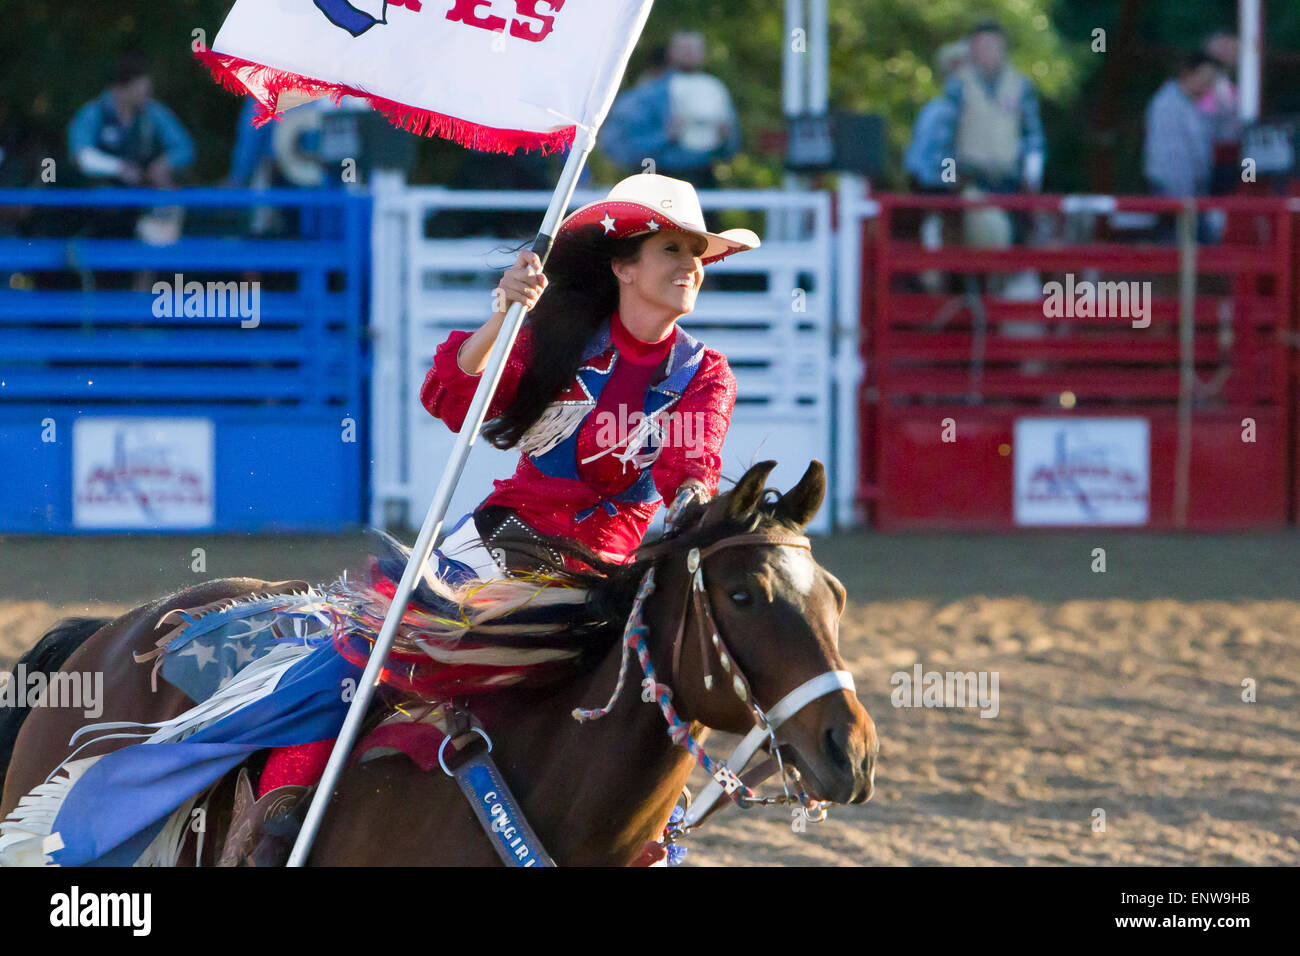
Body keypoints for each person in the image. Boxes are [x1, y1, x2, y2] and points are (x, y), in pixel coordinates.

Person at [228, 173, 760, 862]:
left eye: (697, 252)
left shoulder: (703, 372)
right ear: (624, 266)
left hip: (613, 575)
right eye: (672, 248)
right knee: (362, 655)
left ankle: (646, 833)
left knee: (667, 689)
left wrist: (695, 506)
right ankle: (281, 818)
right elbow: (449, 395)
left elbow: (691, 464)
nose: (691, 264)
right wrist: (503, 313)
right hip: (506, 547)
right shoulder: (557, 341)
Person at [601, 33, 740, 186]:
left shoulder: (714, 90)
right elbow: (620, 144)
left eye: (695, 48)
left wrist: (725, 139)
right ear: (671, 53)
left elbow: (729, 148)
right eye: (685, 48)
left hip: (703, 177)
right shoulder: (648, 94)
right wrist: (664, 137)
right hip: (658, 177)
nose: (690, 53)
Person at [939, 21, 1046, 194]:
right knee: (988, 220)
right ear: (972, 49)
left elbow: (1032, 132)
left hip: (1010, 179)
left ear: (1003, 47)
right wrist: (948, 180)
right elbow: (945, 136)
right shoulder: (958, 83)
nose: (988, 51)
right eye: (982, 46)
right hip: (969, 178)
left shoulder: (1020, 84)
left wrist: (1033, 172)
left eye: (993, 45)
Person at [1143, 52, 1222, 198]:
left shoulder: (1194, 105)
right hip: (1174, 191)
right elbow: (1174, 156)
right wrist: (1185, 198)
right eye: (1206, 78)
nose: (1209, 84)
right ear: (1188, 74)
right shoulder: (1168, 104)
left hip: (1192, 190)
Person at [904, 40, 969, 192]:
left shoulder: (943, 106)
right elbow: (945, 150)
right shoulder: (944, 109)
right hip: (932, 186)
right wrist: (950, 182)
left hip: (931, 182)